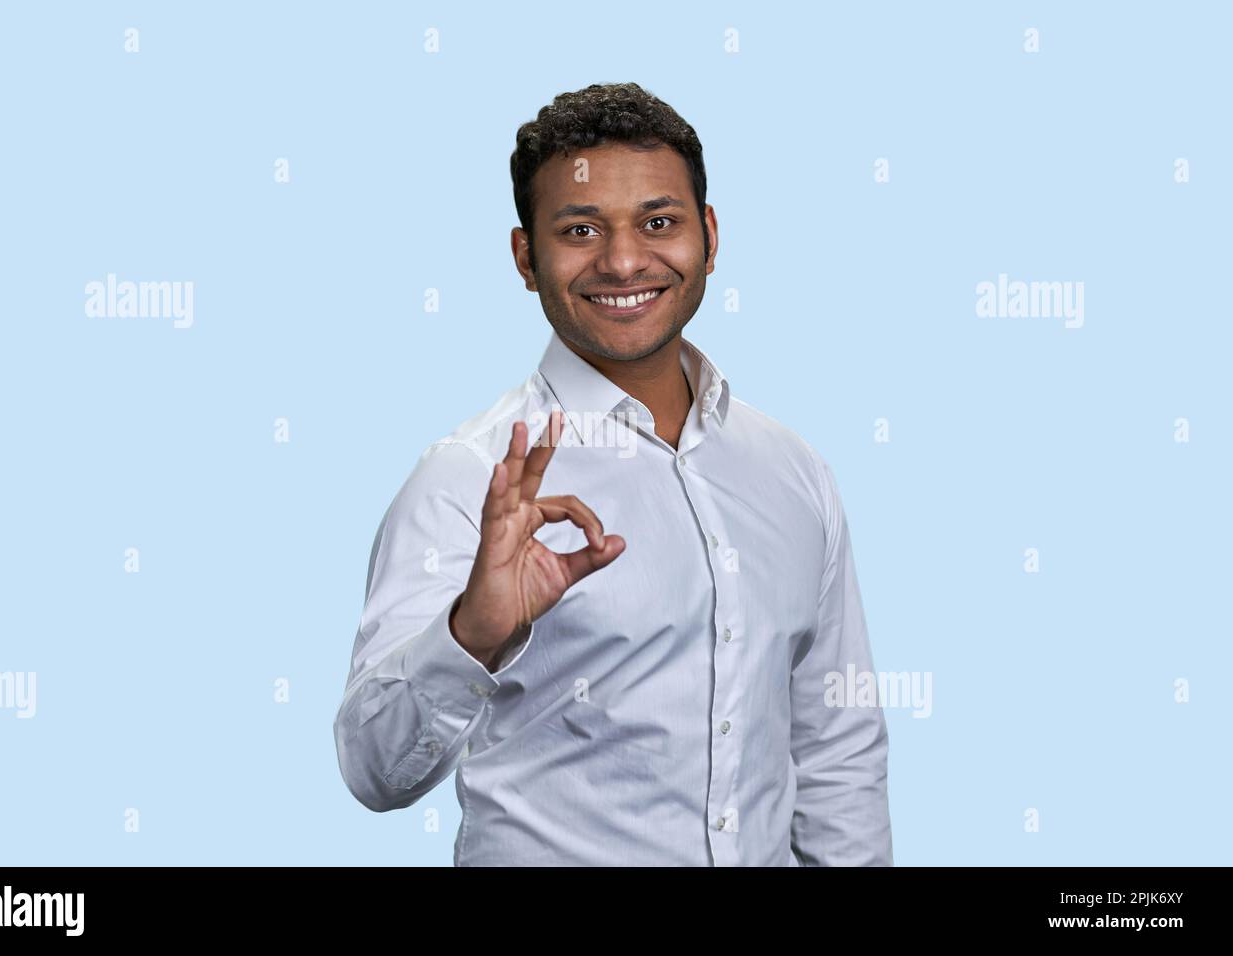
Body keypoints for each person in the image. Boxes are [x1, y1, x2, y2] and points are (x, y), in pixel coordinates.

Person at [333, 82, 893, 866]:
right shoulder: (468, 478)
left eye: (658, 223)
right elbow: (373, 771)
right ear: (527, 257)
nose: (624, 260)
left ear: (709, 234)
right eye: (581, 228)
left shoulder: (792, 470)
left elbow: (838, 746)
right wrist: (475, 633)